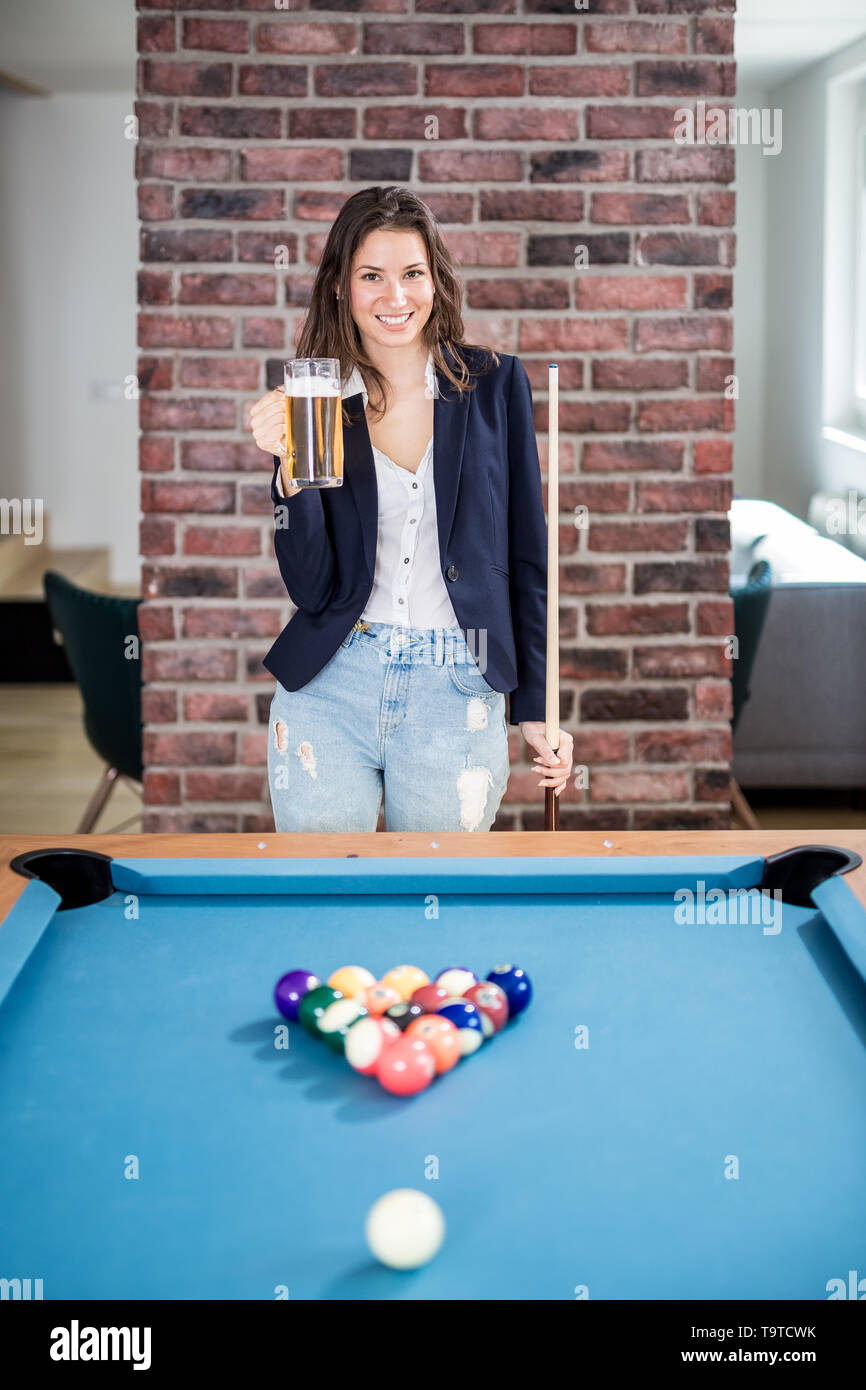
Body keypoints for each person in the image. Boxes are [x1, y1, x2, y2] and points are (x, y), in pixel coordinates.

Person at [249, 185, 573, 832]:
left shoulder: (494, 385)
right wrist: (289, 470)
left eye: (412, 274)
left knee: (439, 907)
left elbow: (528, 556)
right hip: (330, 689)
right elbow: (311, 589)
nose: (395, 298)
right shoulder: (314, 399)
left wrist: (534, 706)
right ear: (340, 286)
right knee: (324, 901)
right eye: (372, 276)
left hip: (456, 686)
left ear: (435, 280)